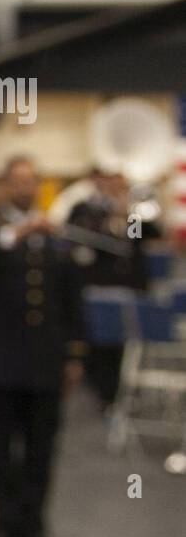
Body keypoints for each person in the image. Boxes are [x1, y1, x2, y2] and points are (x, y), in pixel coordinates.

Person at [0, 156, 85, 537]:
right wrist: (15, 233)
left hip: (45, 359)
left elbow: (71, 300)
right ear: (4, 186)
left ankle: (33, 523)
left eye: (30, 181)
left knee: (41, 446)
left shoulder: (56, 237)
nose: (23, 187)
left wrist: (74, 355)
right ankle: (4, 521)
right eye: (16, 181)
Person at [65, 170, 153, 409]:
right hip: (97, 289)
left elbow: (135, 245)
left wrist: (125, 217)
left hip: (125, 291)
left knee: (122, 346)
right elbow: (79, 245)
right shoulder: (86, 210)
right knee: (98, 344)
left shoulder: (131, 217)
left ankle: (118, 392)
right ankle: (101, 392)